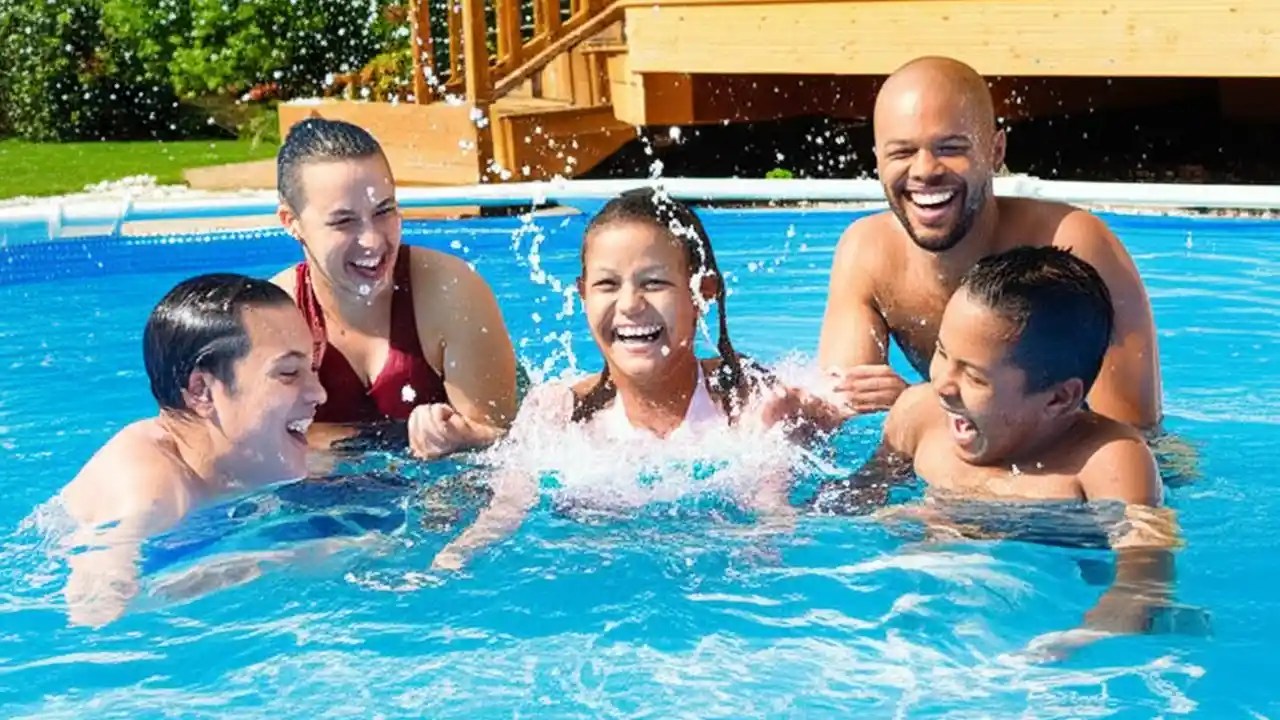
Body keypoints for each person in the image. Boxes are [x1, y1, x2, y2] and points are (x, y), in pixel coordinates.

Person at [430, 188, 831, 570]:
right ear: (582, 295)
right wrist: (448, 562)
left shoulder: (750, 402)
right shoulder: (555, 413)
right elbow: (503, 513)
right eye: (607, 284)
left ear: (701, 293)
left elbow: (773, 522)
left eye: (654, 283)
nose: (629, 305)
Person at [815, 246, 1181, 653]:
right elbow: (845, 504)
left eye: (974, 377)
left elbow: (1144, 581)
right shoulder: (918, 416)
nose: (942, 384)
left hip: (1047, 594)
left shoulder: (1106, 461)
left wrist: (1076, 640)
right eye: (941, 352)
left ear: (1059, 399)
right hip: (923, 612)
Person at [816, 56, 1163, 432]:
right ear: (878, 162)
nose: (924, 171)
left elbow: (1129, 438)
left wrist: (918, 404)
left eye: (950, 148)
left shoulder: (1074, 248)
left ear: (996, 152)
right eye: (901, 153)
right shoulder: (866, 253)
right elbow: (842, 416)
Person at [58, 273, 328, 627]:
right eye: (289, 373)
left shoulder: (240, 462)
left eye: (313, 368)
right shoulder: (147, 494)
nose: (319, 394)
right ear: (202, 391)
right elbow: (92, 613)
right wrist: (269, 563)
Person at [271, 118, 519, 459]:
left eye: (384, 210)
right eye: (343, 221)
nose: (372, 241)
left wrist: (465, 437)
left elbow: (509, 447)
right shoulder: (273, 318)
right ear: (291, 222)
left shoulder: (451, 292)